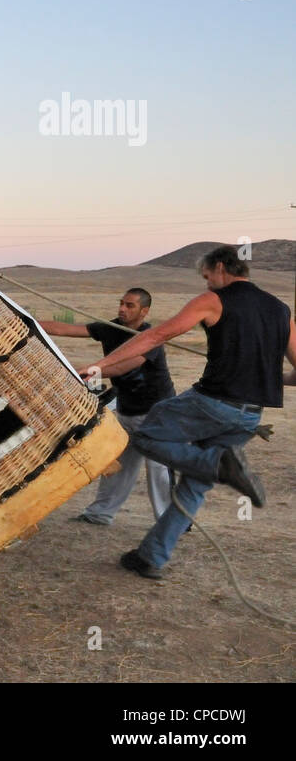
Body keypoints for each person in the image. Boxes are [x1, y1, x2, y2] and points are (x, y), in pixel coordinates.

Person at [79, 246, 296, 579]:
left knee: (145, 436)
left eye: (207, 276)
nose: (207, 283)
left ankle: (218, 465)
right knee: (194, 486)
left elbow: (157, 334)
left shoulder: (213, 300)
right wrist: (269, 377)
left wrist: (100, 365)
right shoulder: (281, 310)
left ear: (221, 267)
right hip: (250, 415)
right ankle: (150, 557)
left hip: (211, 403)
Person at [40, 289, 175, 524]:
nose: (122, 308)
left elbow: (124, 366)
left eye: (130, 305)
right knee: (118, 463)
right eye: (121, 303)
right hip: (126, 410)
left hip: (157, 412)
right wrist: (23, 319)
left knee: (160, 470)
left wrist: (89, 371)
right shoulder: (111, 328)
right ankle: (100, 514)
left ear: (144, 311)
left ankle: (172, 523)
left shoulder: (149, 337)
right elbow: (64, 328)